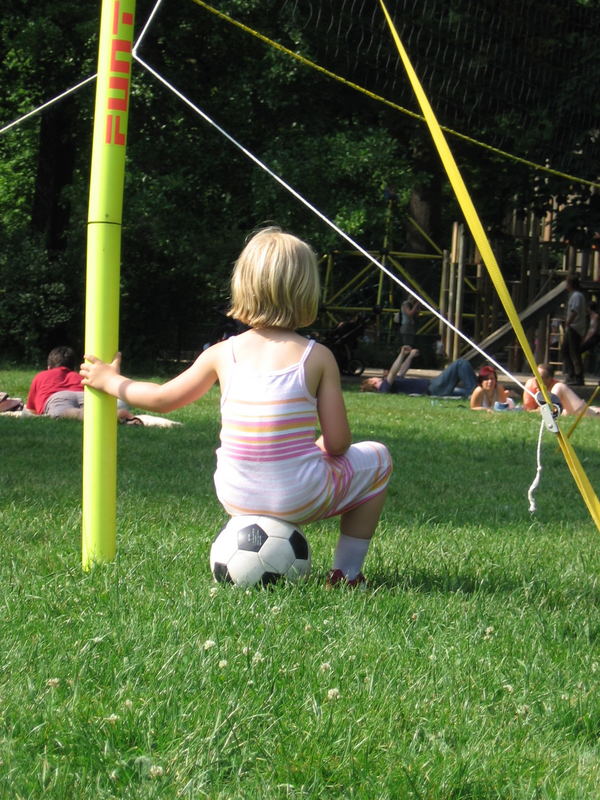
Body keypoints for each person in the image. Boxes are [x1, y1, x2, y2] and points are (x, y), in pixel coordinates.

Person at [80, 227, 392, 587]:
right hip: (298, 496)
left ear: (243, 286)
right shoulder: (317, 357)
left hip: (236, 493)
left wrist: (110, 381)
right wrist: (318, 449)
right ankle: (347, 573)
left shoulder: (220, 354)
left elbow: (163, 399)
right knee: (379, 459)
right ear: (308, 290)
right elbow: (338, 444)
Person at [26, 345, 137, 422]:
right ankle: (112, 413)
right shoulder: (79, 376)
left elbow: (32, 409)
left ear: (49, 367)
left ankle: (115, 415)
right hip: (83, 395)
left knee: (68, 413)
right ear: (73, 367)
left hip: (58, 397)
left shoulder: (41, 376)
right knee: (94, 409)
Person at [360, 346, 477, 397]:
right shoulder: (384, 387)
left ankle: (477, 394)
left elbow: (401, 372)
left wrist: (410, 356)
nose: (375, 377)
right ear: (371, 382)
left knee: (464, 393)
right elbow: (393, 372)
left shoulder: (391, 384)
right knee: (460, 363)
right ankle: (478, 393)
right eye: (373, 378)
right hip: (433, 387)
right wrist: (401, 354)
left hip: (434, 388)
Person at [522, 363, 600, 417]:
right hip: (576, 412)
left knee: (559, 387)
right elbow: (528, 411)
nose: (536, 379)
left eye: (541, 377)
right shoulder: (531, 385)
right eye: (535, 376)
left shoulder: (556, 386)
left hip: (582, 413)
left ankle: (546, 409)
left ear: (550, 379)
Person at [561, 275, 587, 385]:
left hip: (574, 327)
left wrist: (568, 322)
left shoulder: (576, 295)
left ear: (571, 284)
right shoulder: (575, 295)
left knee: (574, 353)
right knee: (565, 350)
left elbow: (574, 311)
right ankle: (571, 374)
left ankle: (578, 377)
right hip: (572, 327)